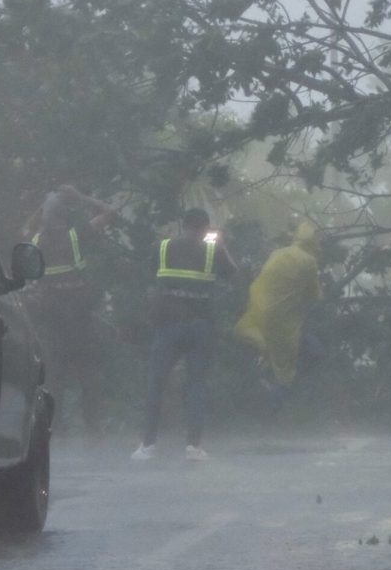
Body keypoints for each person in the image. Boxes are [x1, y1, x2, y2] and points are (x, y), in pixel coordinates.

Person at [132, 209, 239, 462]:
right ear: (205, 228)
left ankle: (147, 445)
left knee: (156, 383)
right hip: (200, 327)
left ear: (183, 225)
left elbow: (146, 273)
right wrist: (221, 246)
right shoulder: (213, 251)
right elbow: (235, 274)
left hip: (168, 325)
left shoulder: (164, 247)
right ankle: (193, 446)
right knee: (196, 385)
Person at [28, 185, 118, 435]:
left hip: (51, 316)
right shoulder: (76, 234)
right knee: (87, 371)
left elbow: (28, 226)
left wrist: (44, 203)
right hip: (78, 315)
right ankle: (93, 426)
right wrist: (82, 196)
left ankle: (56, 426)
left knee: (54, 374)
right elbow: (110, 213)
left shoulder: (35, 239)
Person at [233, 221, 322, 392]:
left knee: (271, 351)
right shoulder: (309, 261)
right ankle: (279, 398)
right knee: (297, 362)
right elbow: (315, 296)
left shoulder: (277, 253)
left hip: (256, 312)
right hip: (283, 320)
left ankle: (261, 382)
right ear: (313, 242)